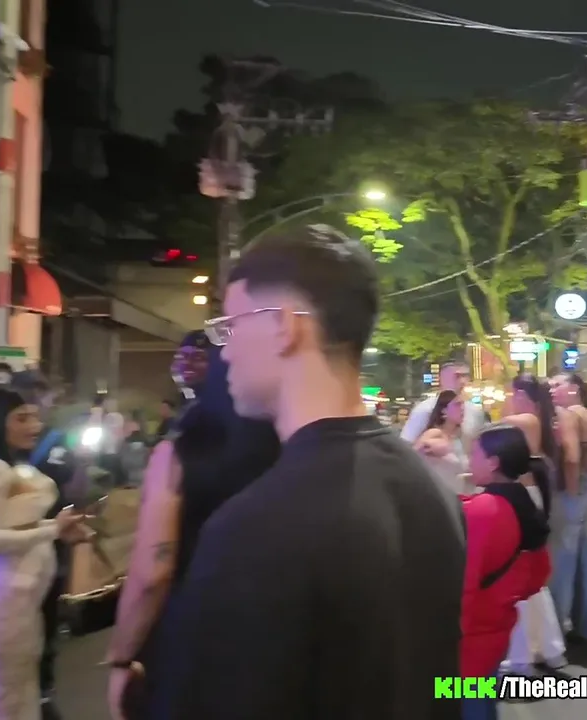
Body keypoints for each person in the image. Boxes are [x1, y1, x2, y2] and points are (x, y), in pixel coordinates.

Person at [148, 225, 465, 719]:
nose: (223, 350)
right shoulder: (433, 491)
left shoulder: (251, 529)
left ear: (283, 326)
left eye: (230, 325)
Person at [105, 334, 280, 720]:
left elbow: (152, 573)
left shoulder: (177, 455)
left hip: (189, 628)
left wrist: (121, 657)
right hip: (267, 631)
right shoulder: (284, 449)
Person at [0, 385, 89, 720]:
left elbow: (16, 526)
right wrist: (51, 530)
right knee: (3, 704)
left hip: (22, 605)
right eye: (21, 418)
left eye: (33, 417)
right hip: (2, 605)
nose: (33, 425)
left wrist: (58, 530)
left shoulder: (11, 466)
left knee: (18, 699)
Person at [11, 370, 94, 720]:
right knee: (24, 623)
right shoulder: (2, 451)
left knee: (39, 619)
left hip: (44, 548)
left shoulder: (57, 442)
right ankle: (30, 692)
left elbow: (78, 491)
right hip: (21, 552)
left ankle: (38, 692)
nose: (35, 410)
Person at [461, 423, 552, 720]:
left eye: (474, 454)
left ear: (493, 462)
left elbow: (466, 582)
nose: (469, 461)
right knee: (482, 700)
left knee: (467, 702)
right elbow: (539, 574)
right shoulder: (522, 501)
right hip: (498, 626)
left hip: (470, 634)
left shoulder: (482, 511)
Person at [500, 374, 566, 674]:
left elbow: (487, 434)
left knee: (518, 575)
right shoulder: (542, 422)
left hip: (522, 498)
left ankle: (523, 654)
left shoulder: (524, 420)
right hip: (531, 495)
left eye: (513, 394)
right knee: (530, 578)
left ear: (522, 395)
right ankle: (545, 647)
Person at [547, 372, 587, 658]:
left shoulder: (566, 415)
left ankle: (554, 631)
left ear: (574, 388)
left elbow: (571, 458)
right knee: (583, 562)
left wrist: (569, 491)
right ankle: (586, 626)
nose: (551, 389)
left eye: (558, 385)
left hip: (570, 494)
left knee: (560, 566)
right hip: (585, 491)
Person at [402, 362, 485, 444]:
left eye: (465, 376)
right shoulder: (424, 409)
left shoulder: (474, 411)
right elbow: (407, 442)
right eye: (456, 376)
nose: (462, 381)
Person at [414, 390, 471, 495]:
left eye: (463, 404)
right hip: (436, 496)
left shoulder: (459, 438)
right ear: (444, 411)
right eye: (457, 405)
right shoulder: (435, 433)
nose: (462, 408)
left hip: (456, 496)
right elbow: (413, 455)